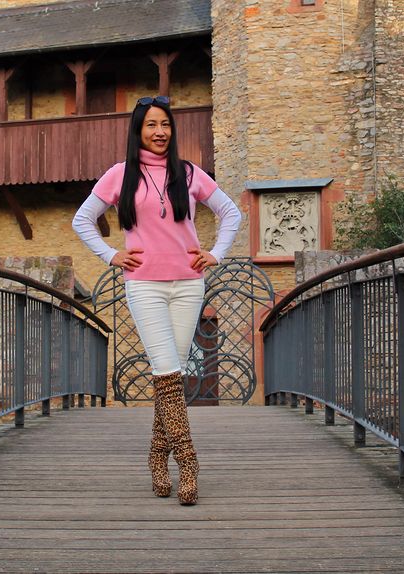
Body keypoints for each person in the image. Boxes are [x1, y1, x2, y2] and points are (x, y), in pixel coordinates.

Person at [72, 95, 241, 505]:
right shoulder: (119, 175)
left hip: (188, 284)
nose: (159, 131)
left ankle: (154, 457)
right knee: (166, 372)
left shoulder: (188, 172)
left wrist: (215, 253)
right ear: (138, 130)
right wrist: (111, 254)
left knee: (173, 376)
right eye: (150, 124)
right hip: (144, 285)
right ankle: (189, 463)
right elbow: (82, 219)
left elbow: (231, 212)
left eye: (165, 124)